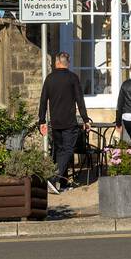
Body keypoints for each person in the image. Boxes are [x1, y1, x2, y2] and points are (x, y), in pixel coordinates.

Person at [38, 51, 90, 192]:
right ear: (68, 63)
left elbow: (43, 101)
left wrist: (41, 120)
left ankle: (64, 183)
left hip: (55, 122)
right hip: (69, 122)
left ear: (57, 62)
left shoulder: (49, 78)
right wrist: (85, 119)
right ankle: (54, 179)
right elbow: (80, 100)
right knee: (67, 151)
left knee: (61, 151)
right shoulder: (73, 78)